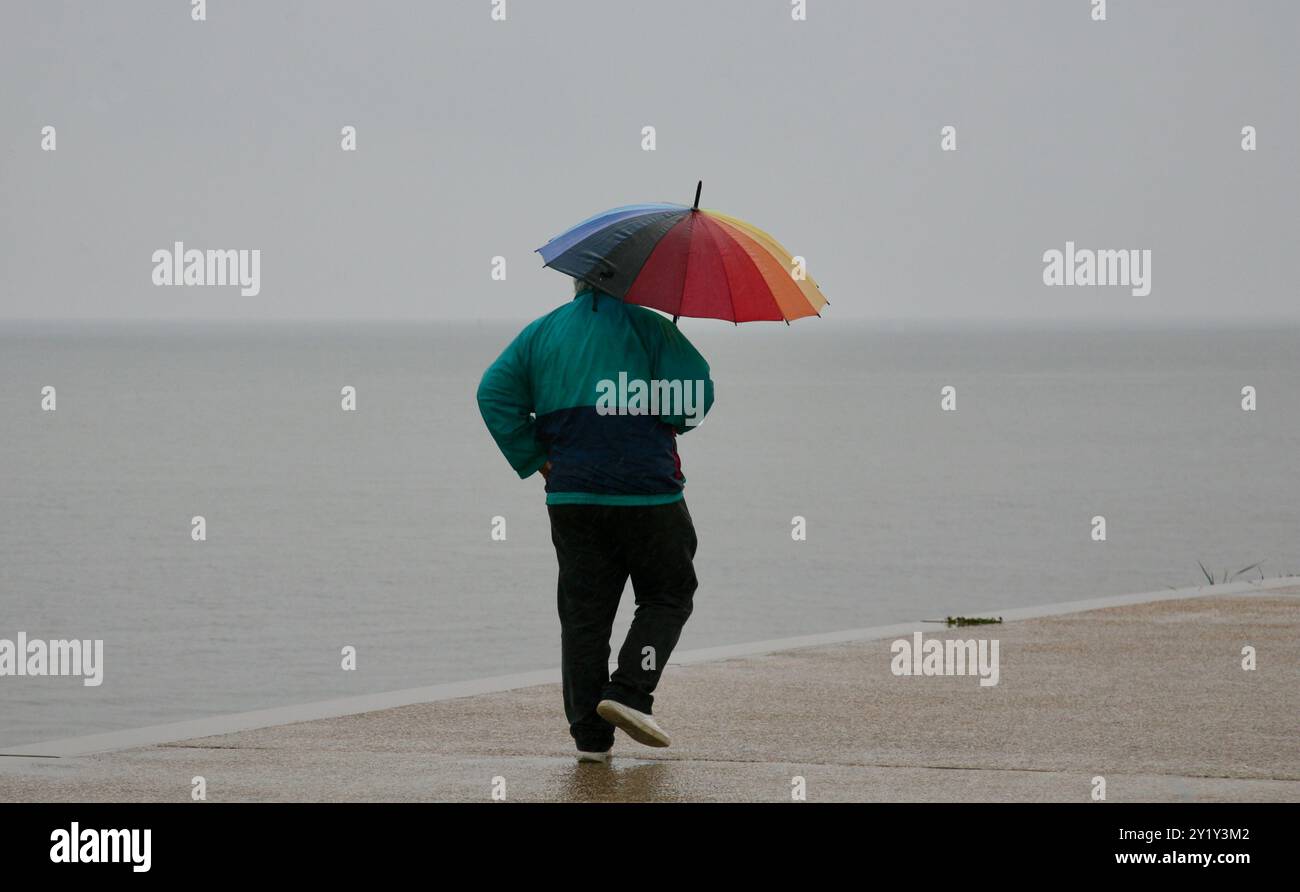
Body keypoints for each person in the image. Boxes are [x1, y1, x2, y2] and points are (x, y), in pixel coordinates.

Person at [477, 277, 714, 763]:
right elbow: (696, 402)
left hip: (573, 496)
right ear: (631, 280)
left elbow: (492, 394)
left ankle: (590, 736)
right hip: (648, 496)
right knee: (667, 593)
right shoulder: (651, 328)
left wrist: (537, 459)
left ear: (578, 279)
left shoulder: (539, 334)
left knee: (584, 615)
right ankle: (629, 690)